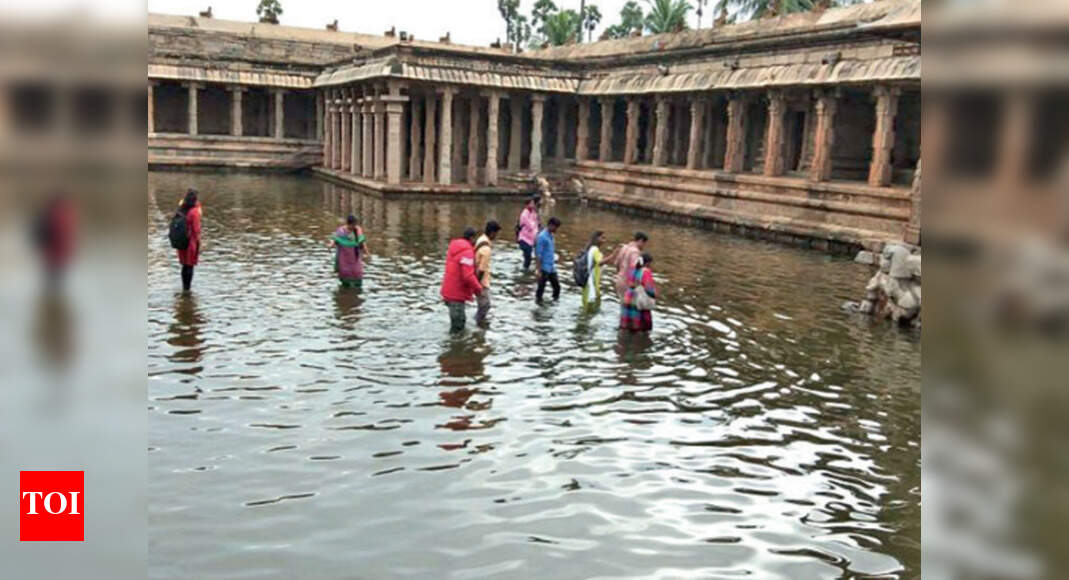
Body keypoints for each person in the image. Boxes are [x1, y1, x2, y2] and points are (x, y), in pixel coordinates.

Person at [440, 227, 484, 333]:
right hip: (456, 295)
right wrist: (478, 289)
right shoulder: (467, 252)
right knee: (458, 326)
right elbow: (468, 276)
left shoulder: (454, 248)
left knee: (457, 324)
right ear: (472, 238)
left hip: (449, 292)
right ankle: (455, 348)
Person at [328, 214, 371, 289]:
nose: (355, 226)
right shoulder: (341, 231)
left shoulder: (357, 230)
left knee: (357, 274)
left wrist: (367, 253)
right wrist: (330, 245)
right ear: (349, 224)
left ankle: (356, 292)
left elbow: (362, 242)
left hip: (355, 257)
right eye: (353, 225)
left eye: (355, 224)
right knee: (345, 276)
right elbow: (335, 240)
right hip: (344, 257)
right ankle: (345, 292)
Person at [604, 231, 649, 298]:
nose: (644, 246)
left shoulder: (624, 247)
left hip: (619, 281)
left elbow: (616, 264)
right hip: (628, 284)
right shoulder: (635, 252)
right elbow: (635, 270)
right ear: (641, 240)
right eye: (644, 243)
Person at [620, 252, 657, 332]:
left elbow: (627, 281)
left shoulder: (632, 268)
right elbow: (648, 288)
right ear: (647, 263)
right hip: (637, 299)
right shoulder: (646, 271)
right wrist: (654, 295)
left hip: (628, 296)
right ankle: (639, 342)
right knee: (638, 328)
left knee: (626, 325)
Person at [473, 221, 501, 326]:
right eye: (496, 233)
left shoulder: (481, 239)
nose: (496, 236)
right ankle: (479, 325)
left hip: (478, 278)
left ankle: (478, 322)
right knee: (485, 305)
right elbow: (481, 269)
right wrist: (477, 286)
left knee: (483, 305)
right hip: (482, 282)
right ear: (492, 232)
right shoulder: (486, 249)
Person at [176, 189, 202, 292]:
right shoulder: (194, 212)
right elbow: (196, 230)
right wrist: (199, 242)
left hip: (181, 241)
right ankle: (187, 290)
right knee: (190, 265)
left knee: (184, 265)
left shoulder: (181, 208)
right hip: (190, 242)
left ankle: (184, 287)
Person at [535, 217, 562, 304]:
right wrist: (538, 270)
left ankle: (554, 301)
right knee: (541, 288)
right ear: (550, 225)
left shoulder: (551, 236)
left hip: (551, 266)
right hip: (544, 267)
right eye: (556, 227)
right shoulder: (542, 237)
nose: (556, 229)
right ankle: (539, 303)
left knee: (557, 287)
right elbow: (538, 254)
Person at [581, 231, 605, 310]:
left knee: (592, 308)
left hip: (592, 284)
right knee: (588, 309)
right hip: (590, 284)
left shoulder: (592, 249)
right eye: (602, 238)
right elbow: (600, 263)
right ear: (596, 238)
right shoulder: (594, 250)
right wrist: (613, 255)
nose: (604, 240)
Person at [516, 196, 540, 272]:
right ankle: (525, 270)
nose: (533, 205)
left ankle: (527, 268)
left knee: (531, 255)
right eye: (531, 203)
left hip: (532, 238)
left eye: (533, 203)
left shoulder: (533, 213)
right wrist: (535, 224)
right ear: (527, 205)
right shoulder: (524, 215)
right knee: (528, 257)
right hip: (524, 238)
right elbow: (531, 226)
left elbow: (536, 224)